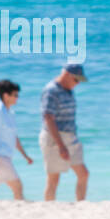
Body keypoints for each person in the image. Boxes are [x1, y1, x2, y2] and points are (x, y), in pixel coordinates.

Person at [39, 63, 90, 201]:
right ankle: (49, 209)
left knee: (83, 174)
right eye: (76, 80)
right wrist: (60, 145)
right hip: (54, 138)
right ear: (66, 75)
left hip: (70, 136)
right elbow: (48, 118)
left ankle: (81, 205)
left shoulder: (68, 89)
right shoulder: (51, 90)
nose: (78, 83)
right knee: (54, 179)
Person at [0, 79, 33, 200]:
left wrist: (25, 156)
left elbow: (14, 138)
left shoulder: (10, 113)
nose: (17, 98)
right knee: (17, 186)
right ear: (5, 95)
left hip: (4, 156)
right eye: (15, 95)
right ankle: (19, 210)